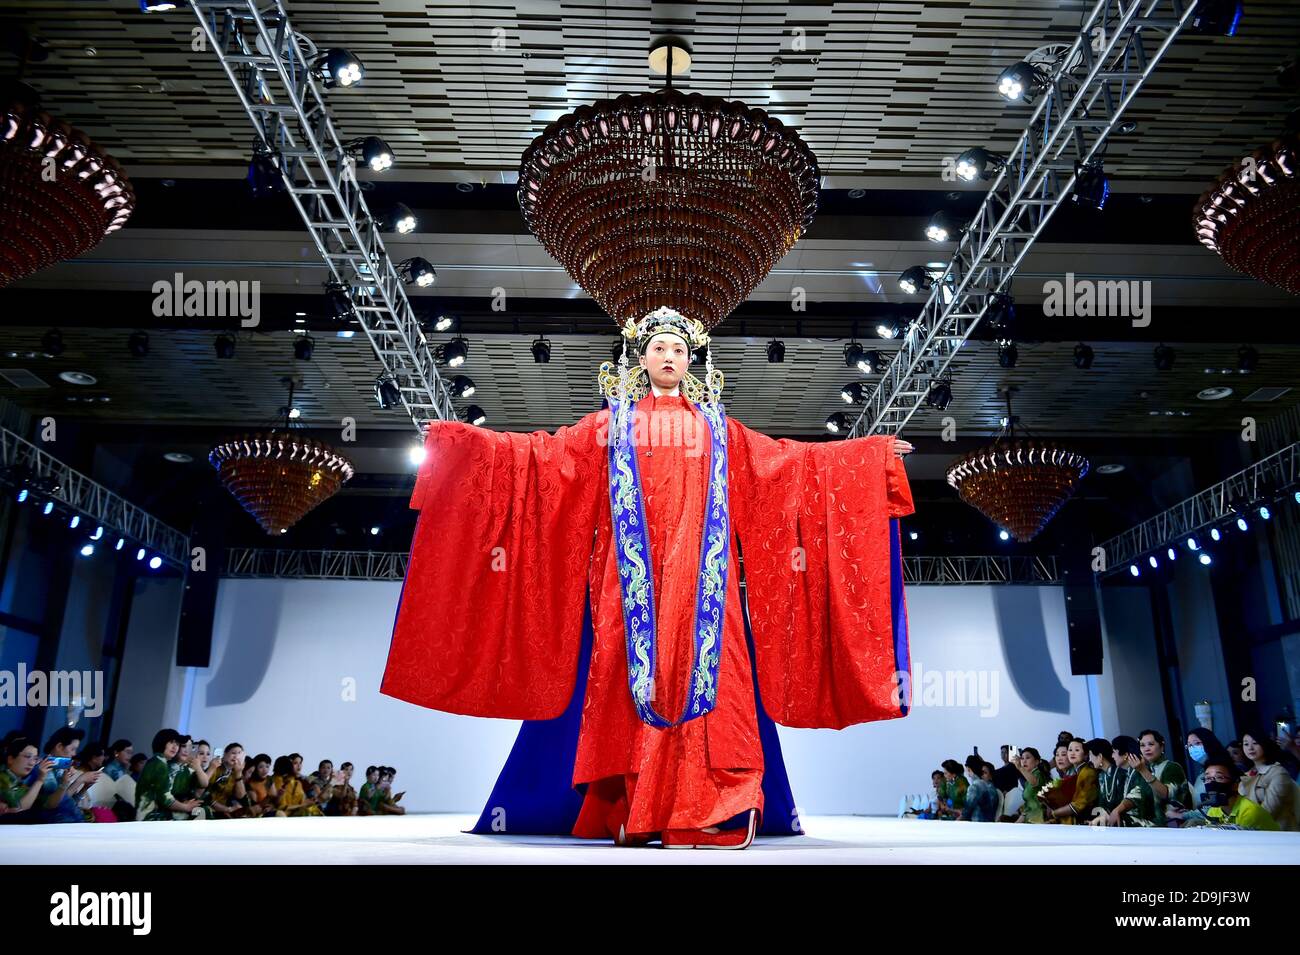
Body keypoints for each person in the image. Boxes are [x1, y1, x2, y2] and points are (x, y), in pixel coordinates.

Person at [380, 307, 916, 849]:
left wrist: (870, 456)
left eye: (679, 350)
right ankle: (640, 806)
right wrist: (460, 443)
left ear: (692, 362)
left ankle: (706, 808)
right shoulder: (611, 424)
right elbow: (538, 457)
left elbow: (791, 464)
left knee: (709, 674)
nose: (669, 357)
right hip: (630, 581)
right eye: (659, 348)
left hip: (705, 581)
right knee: (631, 676)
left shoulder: (719, 429)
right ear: (642, 358)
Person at [1170, 757, 1280, 831]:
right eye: (1207, 778)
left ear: (1235, 784)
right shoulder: (1213, 811)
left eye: (1219, 777)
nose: (1212, 782)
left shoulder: (1250, 812)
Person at [1238, 729, 1298, 831]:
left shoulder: (1278, 772)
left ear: (1264, 744)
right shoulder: (1247, 774)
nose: (1250, 748)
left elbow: (1269, 810)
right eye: (1246, 744)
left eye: (1255, 743)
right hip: (1254, 831)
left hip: (1280, 832)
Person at [136, 729, 203, 821]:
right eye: (171, 742)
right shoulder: (159, 763)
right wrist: (186, 806)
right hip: (149, 817)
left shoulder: (157, 761)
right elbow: (166, 800)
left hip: (152, 813)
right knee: (199, 813)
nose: (175, 747)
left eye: (177, 744)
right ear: (162, 742)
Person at [38, 727, 99, 823]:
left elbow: (69, 802)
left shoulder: (59, 769)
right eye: (72, 749)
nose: (74, 754)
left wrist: (84, 788)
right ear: (59, 746)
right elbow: (54, 804)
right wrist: (79, 781)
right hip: (57, 824)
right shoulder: (46, 769)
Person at [1108, 735, 1160, 827]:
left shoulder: (1141, 770)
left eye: (1113, 752)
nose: (1112, 756)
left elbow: (1137, 793)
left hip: (1150, 822)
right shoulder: (1127, 773)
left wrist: (1117, 810)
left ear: (1125, 755)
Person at [0, 736, 53, 823]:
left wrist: (64, 783)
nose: (32, 763)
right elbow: (20, 810)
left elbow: (49, 804)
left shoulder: (22, 782)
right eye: (27, 756)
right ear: (11, 759)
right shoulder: (2, 778)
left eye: (35, 759)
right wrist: (40, 780)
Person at [1050, 738, 1097, 824]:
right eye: (1070, 750)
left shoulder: (1087, 773)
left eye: (1077, 750)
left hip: (1087, 820)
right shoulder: (1078, 772)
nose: (1072, 753)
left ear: (1086, 755)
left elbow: (1079, 805)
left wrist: (1054, 813)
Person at [1085, 737, 1129, 825]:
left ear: (1100, 756)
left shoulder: (1121, 774)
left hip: (1123, 821)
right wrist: (1098, 819)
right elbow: (1102, 805)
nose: (1089, 760)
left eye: (1091, 755)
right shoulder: (1101, 776)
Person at [1185, 727, 1231, 809]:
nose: (1192, 748)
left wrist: (1185, 815)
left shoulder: (1221, 768)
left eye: (1197, 743)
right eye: (1189, 745)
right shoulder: (1201, 772)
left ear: (1208, 742)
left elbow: (1214, 807)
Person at [205, 744, 249, 819]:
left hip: (224, 810)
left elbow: (241, 796)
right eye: (233, 753)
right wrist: (227, 809)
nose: (236, 757)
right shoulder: (215, 768)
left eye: (239, 754)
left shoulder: (235, 772)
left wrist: (238, 774)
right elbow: (205, 795)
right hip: (209, 809)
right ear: (225, 754)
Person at [1014, 748, 1051, 823]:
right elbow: (1029, 806)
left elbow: (1035, 783)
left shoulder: (1038, 774)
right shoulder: (1028, 779)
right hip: (1030, 817)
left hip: (1039, 819)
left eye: (1027, 758)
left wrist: (1020, 768)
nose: (1024, 761)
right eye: (1022, 758)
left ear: (1037, 761)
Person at [959, 756, 999, 822]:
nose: (968, 775)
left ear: (969, 769)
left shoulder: (975, 787)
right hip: (990, 825)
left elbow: (966, 811)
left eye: (968, 771)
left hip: (976, 825)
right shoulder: (991, 786)